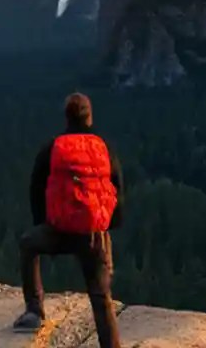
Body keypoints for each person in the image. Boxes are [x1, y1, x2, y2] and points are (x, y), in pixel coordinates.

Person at [13, 92, 124, 347]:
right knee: (100, 296)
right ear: (89, 116)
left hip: (59, 230)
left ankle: (34, 310)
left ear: (66, 117)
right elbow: (118, 190)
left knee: (28, 244)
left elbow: (36, 189)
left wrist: (45, 223)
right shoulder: (103, 148)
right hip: (93, 235)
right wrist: (106, 228)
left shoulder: (53, 148)